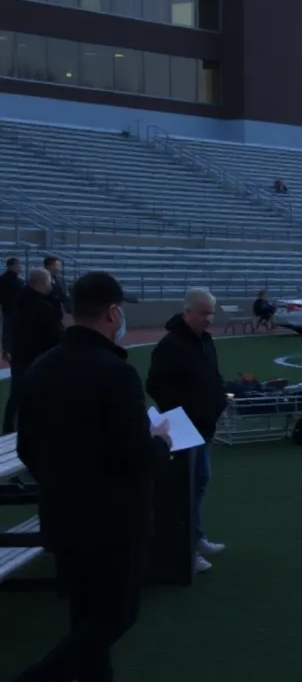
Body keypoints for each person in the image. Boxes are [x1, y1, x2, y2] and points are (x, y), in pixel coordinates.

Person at [13, 271, 171, 682]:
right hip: (114, 520)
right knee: (114, 617)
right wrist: (160, 442)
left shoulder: (41, 367)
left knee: (84, 614)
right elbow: (134, 455)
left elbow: (26, 449)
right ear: (112, 312)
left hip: (62, 514)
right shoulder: (116, 373)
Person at [145, 288, 228, 573]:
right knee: (187, 488)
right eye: (204, 313)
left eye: (211, 312)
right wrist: (182, 412)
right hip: (185, 430)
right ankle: (186, 548)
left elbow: (213, 375)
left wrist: (218, 399)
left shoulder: (205, 340)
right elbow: (155, 384)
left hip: (203, 427)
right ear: (188, 312)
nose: (209, 318)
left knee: (199, 481)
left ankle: (196, 536)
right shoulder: (171, 345)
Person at [3, 268, 64, 434]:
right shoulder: (42, 306)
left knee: (17, 395)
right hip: (39, 356)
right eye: (50, 281)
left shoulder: (20, 300)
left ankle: (9, 429)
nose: (52, 284)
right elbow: (55, 333)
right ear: (42, 282)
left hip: (20, 355)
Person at [0, 256, 23, 362]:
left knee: (7, 331)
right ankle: (10, 350)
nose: (20, 267)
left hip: (7, 308)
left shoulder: (2, 279)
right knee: (13, 330)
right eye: (18, 265)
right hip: (15, 309)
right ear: (12, 266)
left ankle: (7, 350)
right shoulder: (17, 281)